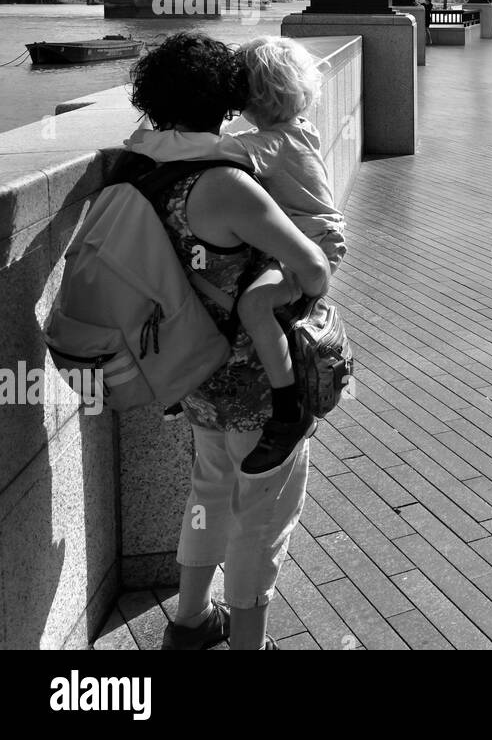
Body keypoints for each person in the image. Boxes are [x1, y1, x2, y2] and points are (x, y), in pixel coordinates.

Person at [120, 32, 331, 651]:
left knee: (208, 494)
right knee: (260, 520)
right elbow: (314, 270)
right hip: (259, 388)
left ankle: (190, 622)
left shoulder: (142, 171)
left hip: (194, 373)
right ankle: (247, 644)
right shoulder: (226, 182)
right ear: (225, 98)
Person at [210, 36, 346, 476]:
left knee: (253, 303)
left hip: (313, 246)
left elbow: (223, 152)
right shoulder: (294, 128)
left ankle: (288, 408)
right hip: (310, 240)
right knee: (260, 308)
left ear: (253, 96)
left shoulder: (274, 142)